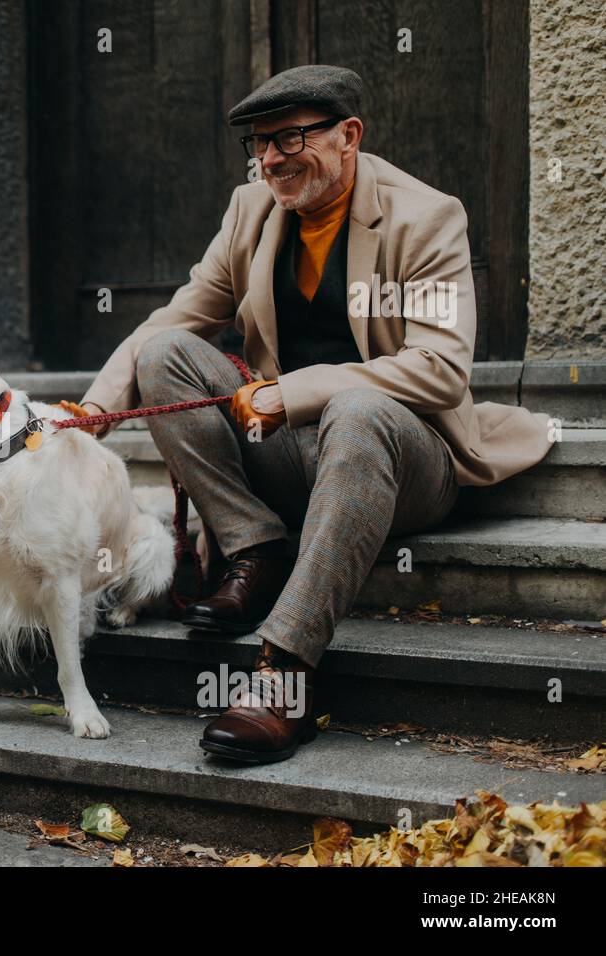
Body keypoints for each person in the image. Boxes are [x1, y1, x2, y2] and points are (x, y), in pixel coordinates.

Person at [62, 65, 552, 763]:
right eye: (260, 145)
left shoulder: (426, 217)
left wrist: (296, 391)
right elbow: (177, 317)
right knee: (166, 351)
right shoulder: (251, 207)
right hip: (289, 455)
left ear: (348, 135)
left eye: (289, 139)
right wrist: (97, 406)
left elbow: (441, 369)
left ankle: (283, 672)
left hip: (403, 457)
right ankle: (254, 548)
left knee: (357, 408)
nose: (270, 161)